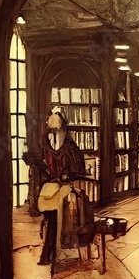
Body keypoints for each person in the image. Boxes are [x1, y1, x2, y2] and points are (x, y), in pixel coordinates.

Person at [25, 110, 86, 266]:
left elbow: (76, 167)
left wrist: (64, 175)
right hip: (52, 188)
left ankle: (49, 255)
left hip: (60, 187)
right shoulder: (47, 144)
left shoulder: (67, 145)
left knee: (58, 220)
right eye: (50, 126)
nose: (52, 129)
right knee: (54, 220)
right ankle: (49, 255)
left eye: (54, 125)